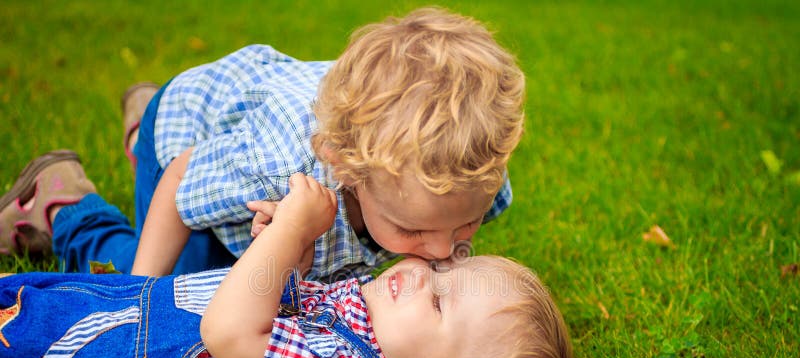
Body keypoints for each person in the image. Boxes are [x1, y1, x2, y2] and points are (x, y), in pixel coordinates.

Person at [0, 174, 572, 358]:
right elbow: (279, 303)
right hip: (136, 306)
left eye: (441, 304)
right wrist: (286, 248)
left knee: (18, 338)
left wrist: (288, 232)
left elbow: (229, 334)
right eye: (444, 272)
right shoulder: (368, 312)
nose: (424, 277)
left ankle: (64, 204)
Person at [0, 7, 525, 279]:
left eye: (463, 225)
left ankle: (142, 125)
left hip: (234, 121)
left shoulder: (464, 167)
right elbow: (184, 174)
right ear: (345, 167)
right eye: (412, 229)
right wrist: (143, 301)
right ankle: (64, 206)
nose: (441, 250)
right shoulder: (277, 167)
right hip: (187, 140)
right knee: (186, 287)